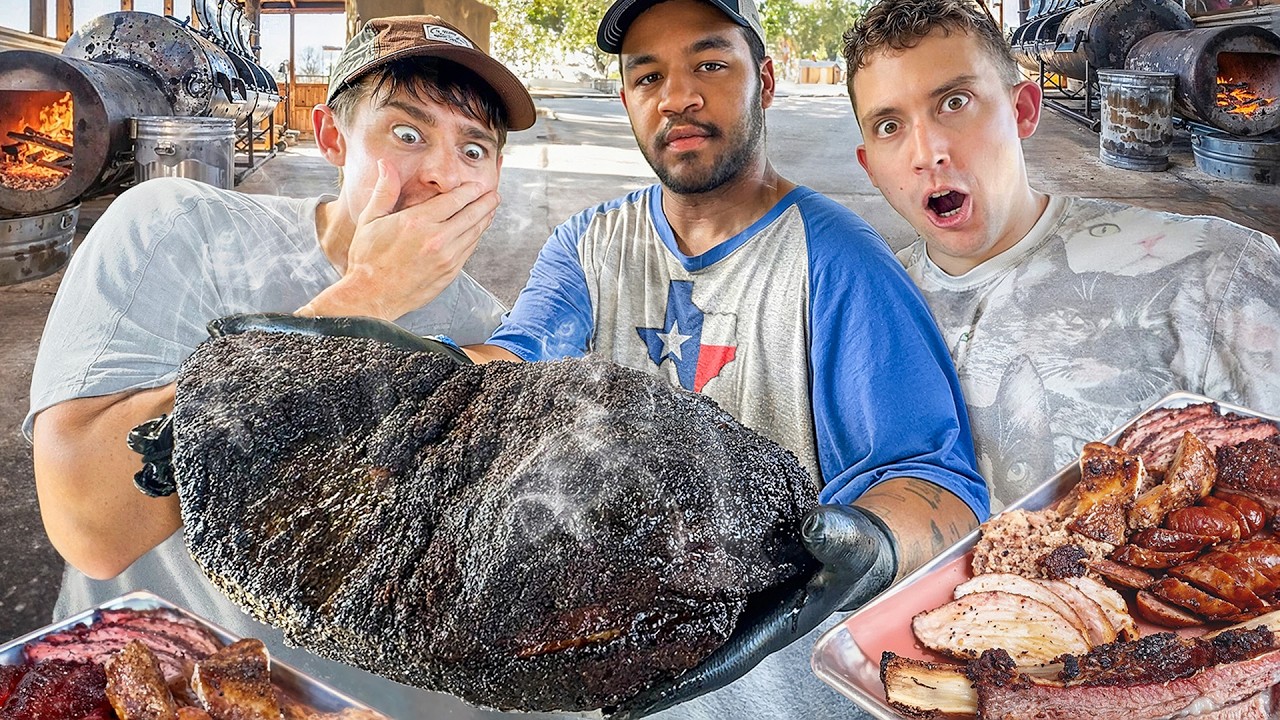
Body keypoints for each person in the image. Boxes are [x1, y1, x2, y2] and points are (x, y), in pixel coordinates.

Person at [459, 0, 988, 715]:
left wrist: (872, 539)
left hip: (781, 694)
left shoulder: (836, 259)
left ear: (764, 80)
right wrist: (425, 378)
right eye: (648, 78)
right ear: (626, 101)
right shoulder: (586, 246)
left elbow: (939, 483)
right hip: (618, 678)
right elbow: (516, 361)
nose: (678, 97)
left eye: (710, 64)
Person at [25, 16, 549, 718]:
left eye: (475, 148)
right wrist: (367, 302)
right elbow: (94, 527)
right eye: (406, 133)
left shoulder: (493, 340)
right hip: (166, 679)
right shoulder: (179, 230)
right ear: (333, 138)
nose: (441, 173)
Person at [843, 0, 1280, 511]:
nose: (927, 153)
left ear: (1023, 110)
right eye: (889, 126)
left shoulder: (1220, 270)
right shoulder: (864, 314)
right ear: (869, 165)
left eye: (955, 102)